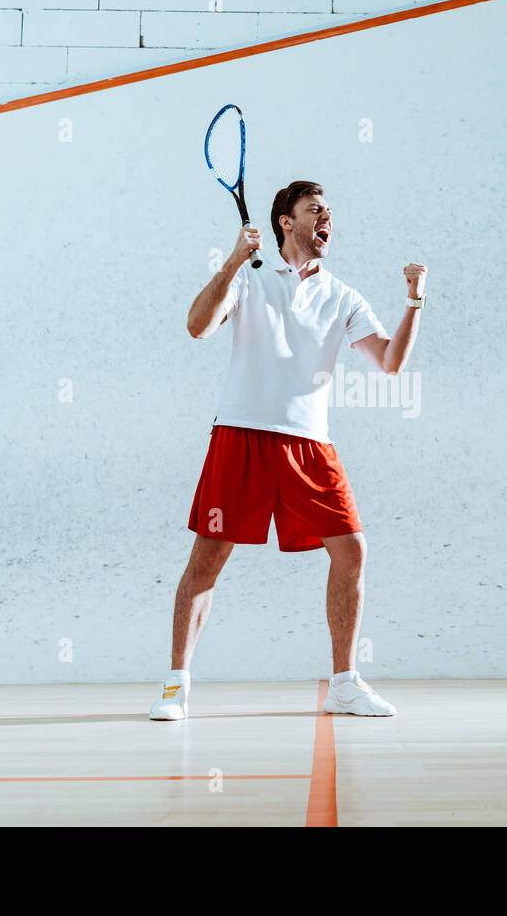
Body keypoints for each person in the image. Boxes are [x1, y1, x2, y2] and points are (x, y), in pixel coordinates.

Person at [149, 181, 427, 720]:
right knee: (207, 560)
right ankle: (176, 685)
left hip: (309, 446)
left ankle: (344, 683)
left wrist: (415, 301)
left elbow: (390, 362)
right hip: (240, 435)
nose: (327, 220)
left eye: (329, 212)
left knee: (352, 552)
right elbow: (196, 326)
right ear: (285, 222)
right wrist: (233, 260)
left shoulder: (343, 295)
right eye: (314, 211)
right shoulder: (249, 281)